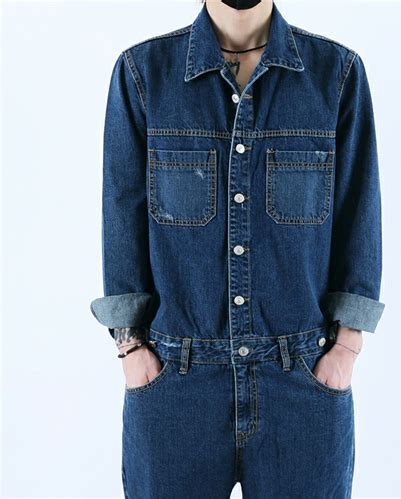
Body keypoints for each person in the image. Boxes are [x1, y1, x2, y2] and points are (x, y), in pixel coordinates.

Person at [90, 0, 385, 497]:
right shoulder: (143, 75)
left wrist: (346, 350)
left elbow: (359, 211)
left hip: (302, 380)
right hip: (175, 381)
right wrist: (131, 349)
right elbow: (121, 213)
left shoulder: (336, 75)